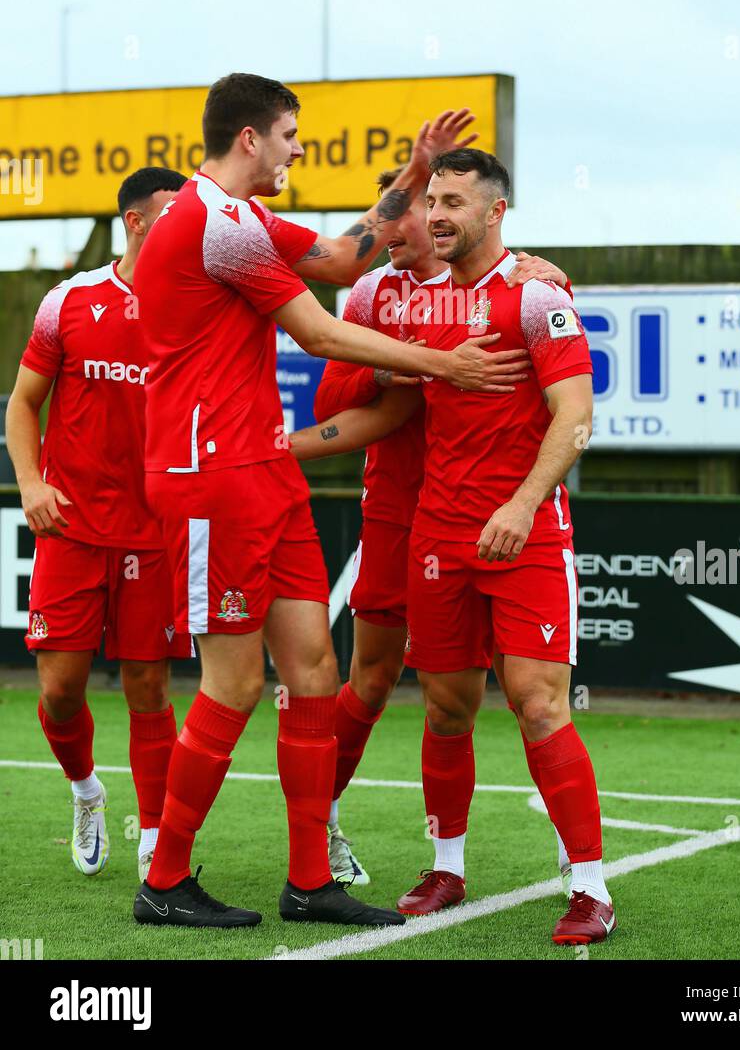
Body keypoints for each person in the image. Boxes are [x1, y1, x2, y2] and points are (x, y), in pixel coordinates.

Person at [132, 73, 530, 930]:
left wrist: (410, 174)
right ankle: (164, 880)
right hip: (209, 476)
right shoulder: (212, 222)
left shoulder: (244, 220)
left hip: (264, 473)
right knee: (235, 684)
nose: (297, 149)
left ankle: (309, 879)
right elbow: (317, 330)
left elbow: (343, 256)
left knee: (314, 671)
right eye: (288, 135)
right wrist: (444, 363)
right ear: (249, 140)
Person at [291, 147, 614, 947]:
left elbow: (575, 416)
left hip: (525, 530)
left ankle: (589, 886)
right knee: (444, 707)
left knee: (538, 702)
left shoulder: (538, 295)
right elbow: (372, 395)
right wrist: (278, 446)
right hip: (435, 532)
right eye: (432, 199)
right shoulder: (407, 306)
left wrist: (523, 501)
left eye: (454, 201)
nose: (437, 213)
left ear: (496, 211)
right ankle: (447, 866)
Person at [6, 167, 193, 883]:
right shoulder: (70, 300)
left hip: (155, 532)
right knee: (58, 689)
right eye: (175, 212)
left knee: (148, 686)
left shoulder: (196, 306)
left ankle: (154, 833)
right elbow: (24, 404)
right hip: (72, 527)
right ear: (138, 220)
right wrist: (31, 483)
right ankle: (86, 790)